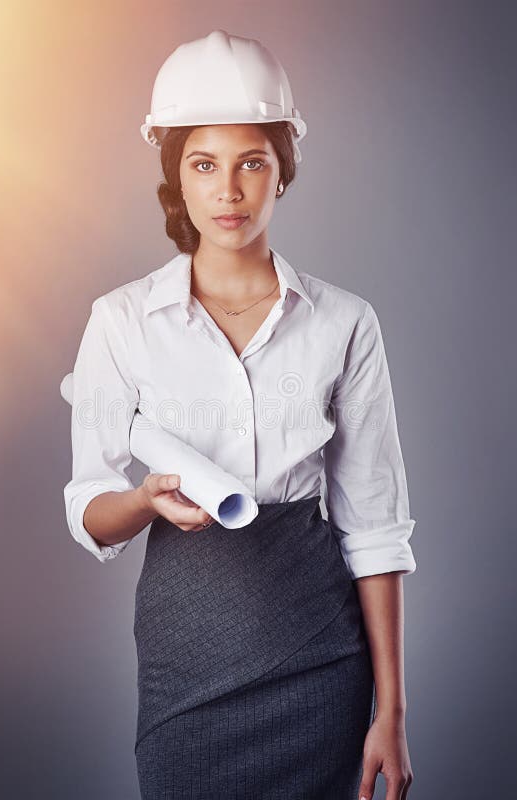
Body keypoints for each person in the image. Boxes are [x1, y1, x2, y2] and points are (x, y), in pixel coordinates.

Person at [64, 29, 416, 800]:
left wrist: (391, 711)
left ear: (282, 172)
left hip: (318, 654)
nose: (228, 191)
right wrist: (143, 499)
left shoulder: (344, 323)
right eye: (204, 165)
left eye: (251, 162)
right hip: (186, 656)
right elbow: (89, 509)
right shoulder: (122, 321)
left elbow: (377, 526)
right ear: (178, 180)